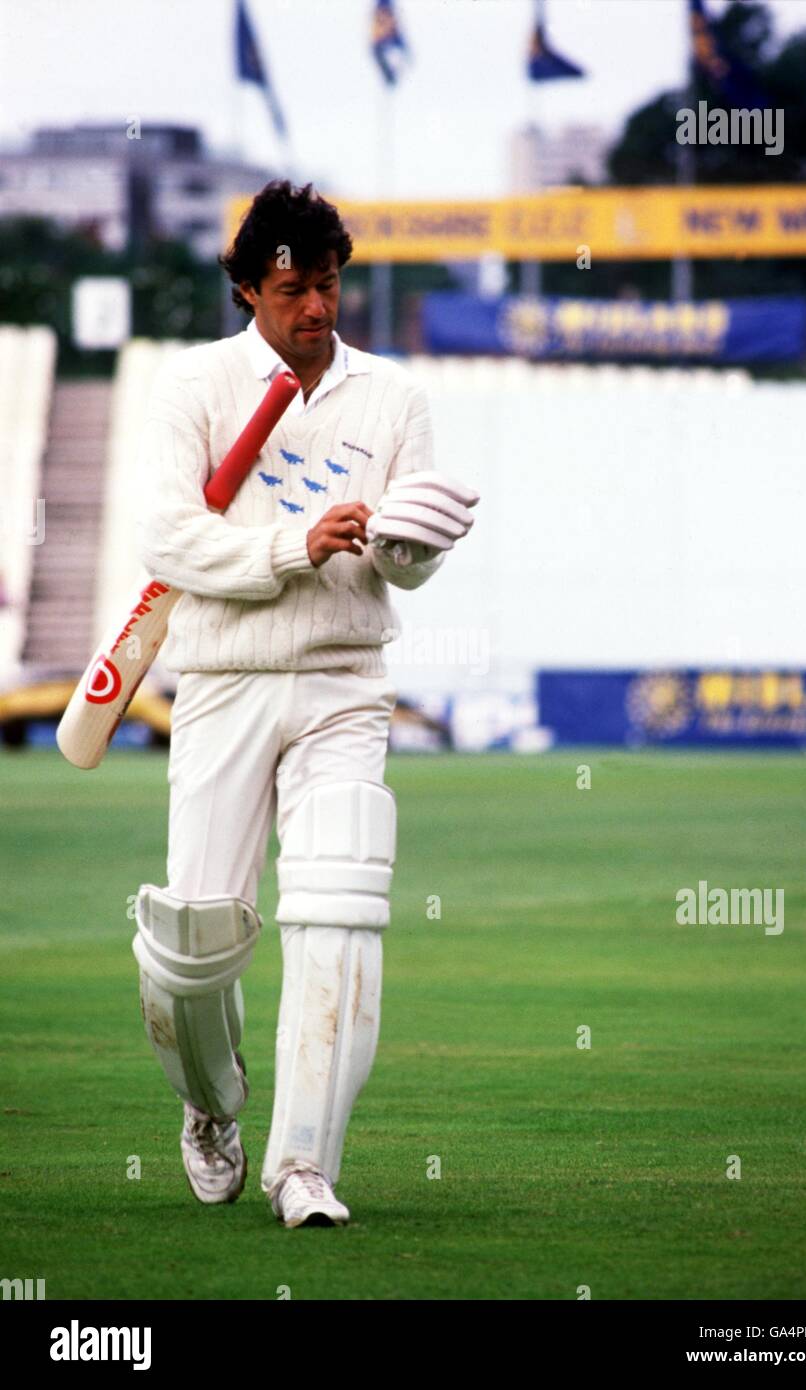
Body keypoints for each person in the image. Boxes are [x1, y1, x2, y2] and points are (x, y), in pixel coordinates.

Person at [132, 180, 478, 1228]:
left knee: (337, 914)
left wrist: (409, 545)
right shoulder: (194, 386)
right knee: (196, 940)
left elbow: (404, 570)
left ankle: (304, 1166)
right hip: (225, 677)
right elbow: (167, 541)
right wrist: (296, 543)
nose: (315, 308)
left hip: (341, 681)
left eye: (327, 286)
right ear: (248, 288)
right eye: (292, 289)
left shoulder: (392, 397)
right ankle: (208, 1106)